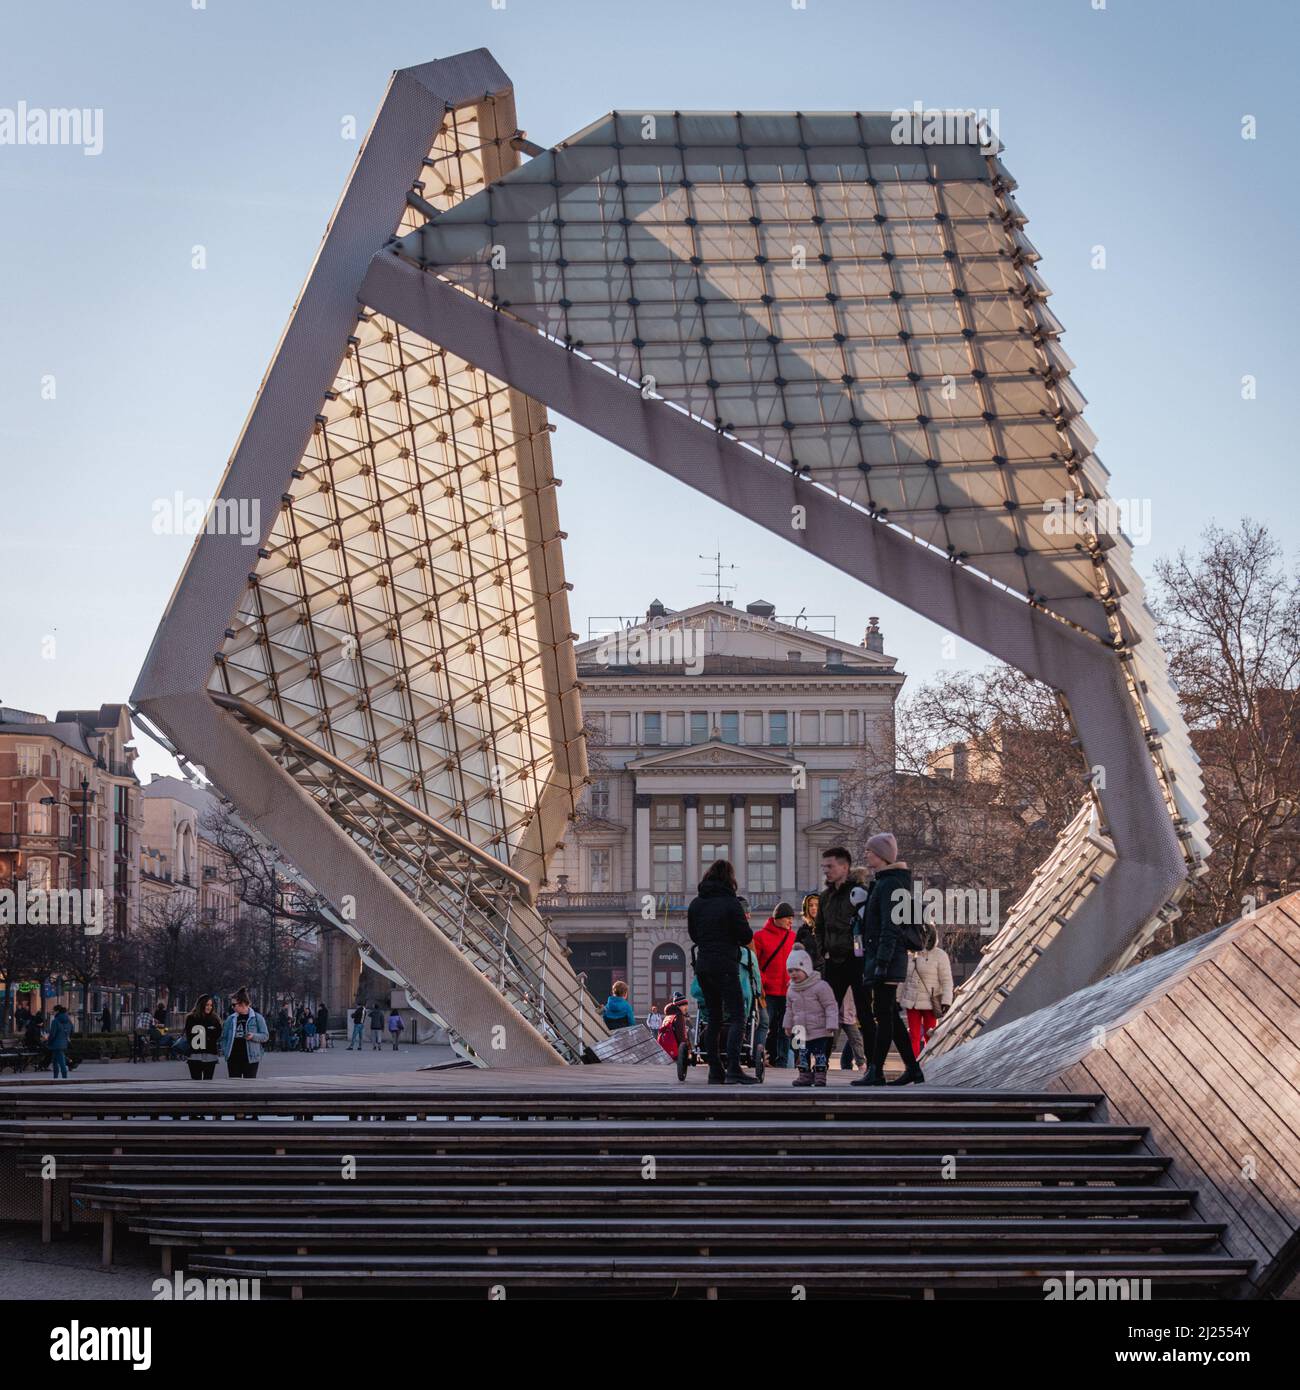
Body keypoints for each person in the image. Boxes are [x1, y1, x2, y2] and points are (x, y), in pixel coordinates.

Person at [852, 833, 925, 1087]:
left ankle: (876, 1071)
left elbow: (890, 926)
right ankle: (913, 1070)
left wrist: (881, 962)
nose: (866, 855)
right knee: (889, 1015)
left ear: (882, 855)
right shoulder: (886, 882)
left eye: (870, 851)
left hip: (888, 959)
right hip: (885, 957)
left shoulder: (891, 884)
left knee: (883, 1015)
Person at [686, 858, 758, 1084]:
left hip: (704, 965)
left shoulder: (696, 903)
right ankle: (734, 1068)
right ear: (730, 878)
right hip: (726, 965)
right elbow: (746, 936)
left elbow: (694, 935)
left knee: (714, 1017)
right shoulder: (731, 903)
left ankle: (715, 1070)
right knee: (737, 1016)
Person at [812, 848, 872, 1053]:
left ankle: (872, 1064)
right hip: (833, 961)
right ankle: (821, 1064)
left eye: (830, 866)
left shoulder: (859, 892)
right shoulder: (826, 896)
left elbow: (868, 925)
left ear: (844, 867)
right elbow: (818, 927)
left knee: (864, 1012)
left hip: (856, 960)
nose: (826, 871)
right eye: (824, 867)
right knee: (827, 1013)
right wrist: (823, 951)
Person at [783, 948, 838, 1087]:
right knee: (802, 1053)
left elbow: (830, 1005)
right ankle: (804, 1075)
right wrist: (787, 1025)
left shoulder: (820, 986)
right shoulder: (791, 990)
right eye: (790, 971)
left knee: (820, 1054)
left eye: (797, 970)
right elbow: (789, 1009)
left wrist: (831, 1023)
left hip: (819, 1028)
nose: (793, 974)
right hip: (799, 1029)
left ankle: (820, 1076)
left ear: (806, 969)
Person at [899, 924, 954, 1057]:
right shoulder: (909, 954)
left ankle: (930, 1062)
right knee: (914, 1036)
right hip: (912, 1002)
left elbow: (946, 980)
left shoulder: (940, 955)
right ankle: (914, 1066)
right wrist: (897, 999)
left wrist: (946, 1001)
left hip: (931, 1003)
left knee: (931, 1035)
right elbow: (903, 979)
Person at [752, 902, 796, 1067]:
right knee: (765, 1025)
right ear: (777, 918)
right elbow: (755, 963)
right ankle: (759, 1057)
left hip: (787, 991)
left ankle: (782, 1061)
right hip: (768, 991)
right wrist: (763, 981)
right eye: (787, 918)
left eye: (792, 918)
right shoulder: (760, 937)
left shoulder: (792, 936)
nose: (790, 921)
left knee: (785, 1028)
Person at [220, 988, 269, 1079]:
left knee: (249, 1086)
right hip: (233, 1058)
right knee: (234, 1086)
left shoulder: (257, 1018)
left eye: (234, 1004)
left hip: (251, 1058)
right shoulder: (230, 1019)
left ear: (242, 1003)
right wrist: (226, 1051)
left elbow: (265, 1036)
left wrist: (253, 1036)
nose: (232, 1007)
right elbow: (224, 1037)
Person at [183, 994, 222, 1080]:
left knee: (208, 1082)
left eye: (211, 1005)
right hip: (195, 1055)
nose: (209, 1007)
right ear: (201, 1005)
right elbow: (190, 1035)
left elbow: (217, 1035)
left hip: (210, 1055)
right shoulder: (191, 1018)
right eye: (207, 1005)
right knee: (196, 1082)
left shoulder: (215, 1019)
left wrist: (206, 1034)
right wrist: (208, 1033)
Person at [46, 1004, 74, 1080]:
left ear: (57, 1011)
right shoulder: (68, 1020)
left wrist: (48, 1041)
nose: (53, 1013)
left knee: (61, 1061)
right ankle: (55, 1077)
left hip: (56, 1043)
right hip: (64, 1042)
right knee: (55, 1060)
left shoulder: (55, 1021)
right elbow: (72, 1030)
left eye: (54, 1011)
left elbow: (52, 1034)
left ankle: (64, 1077)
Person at [797, 893, 824, 970]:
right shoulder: (802, 931)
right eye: (810, 905)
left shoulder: (828, 927)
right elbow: (797, 955)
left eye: (817, 905)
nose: (814, 908)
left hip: (827, 973)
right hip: (808, 973)